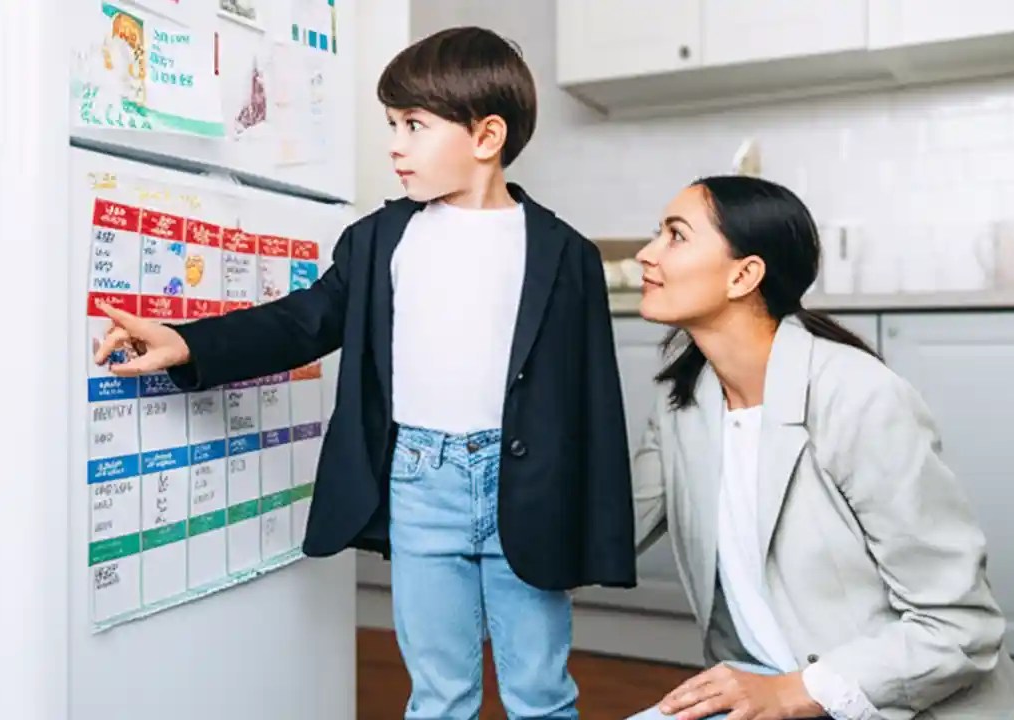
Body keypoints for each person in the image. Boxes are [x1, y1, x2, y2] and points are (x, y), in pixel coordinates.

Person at [92, 26, 635, 720]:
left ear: (486, 135)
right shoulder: (381, 239)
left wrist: (600, 529)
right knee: (438, 693)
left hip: (526, 488)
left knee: (540, 692)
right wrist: (188, 343)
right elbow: (302, 322)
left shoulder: (566, 254)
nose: (394, 144)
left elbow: (596, 404)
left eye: (414, 124)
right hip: (418, 481)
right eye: (390, 124)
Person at [625, 176, 1014, 720]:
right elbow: (606, 532)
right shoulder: (683, 404)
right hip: (759, 696)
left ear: (744, 275)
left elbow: (961, 626)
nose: (645, 255)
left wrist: (790, 692)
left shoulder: (858, 395)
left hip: (877, 705)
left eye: (675, 236)